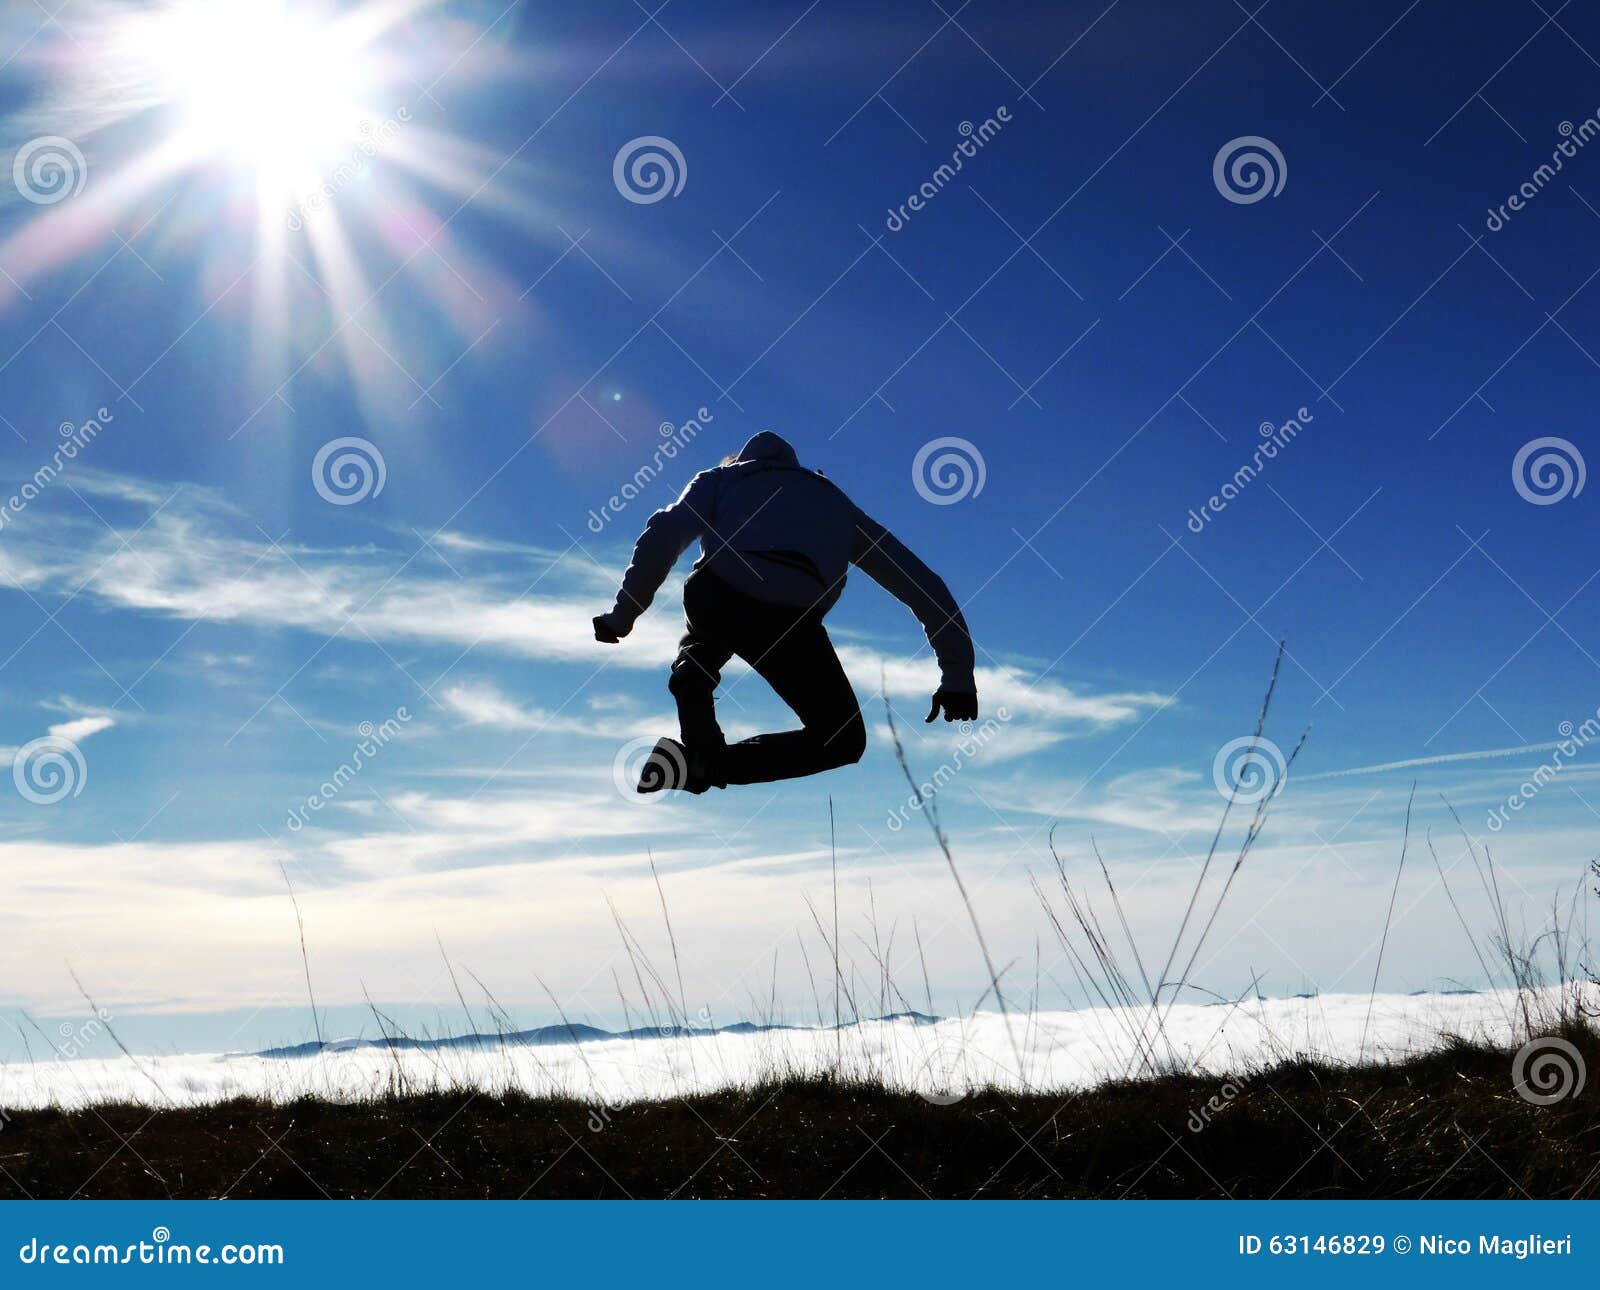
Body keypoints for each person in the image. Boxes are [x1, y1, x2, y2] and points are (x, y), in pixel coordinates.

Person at [593, 431, 978, 794]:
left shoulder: (721, 479)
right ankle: (705, 761)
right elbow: (919, 582)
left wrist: (623, 614)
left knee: (711, 614)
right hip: (790, 619)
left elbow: (663, 534)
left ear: (739, 460)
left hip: (717, 595)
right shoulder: (836, 502)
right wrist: (957, 676)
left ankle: (695, 673)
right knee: (841, 741)